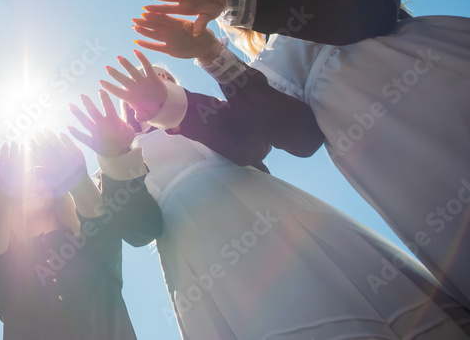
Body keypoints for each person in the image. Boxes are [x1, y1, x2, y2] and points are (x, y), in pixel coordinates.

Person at [133, 0, 470, 306]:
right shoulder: (265, 68)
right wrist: (207, 57)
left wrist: (230, 1)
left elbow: (373, 1)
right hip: (380, 146)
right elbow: (299, 138)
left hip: (430, 70)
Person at [85, 54, 470, 337]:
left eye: (164, 79)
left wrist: (181, 113)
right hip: (197, 249)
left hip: (275, 214)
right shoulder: (116, 160)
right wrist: (114, 157)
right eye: (135, 92)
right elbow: (139, 230)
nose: (152, 90)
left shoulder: (205, 115)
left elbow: (252, 148)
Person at [0, 134, 161, 340]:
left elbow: (99, 223)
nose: (34, 182)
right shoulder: (8, 269)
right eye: (22, 180)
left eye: (43, 174)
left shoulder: (90, 244)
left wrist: (78, 181)